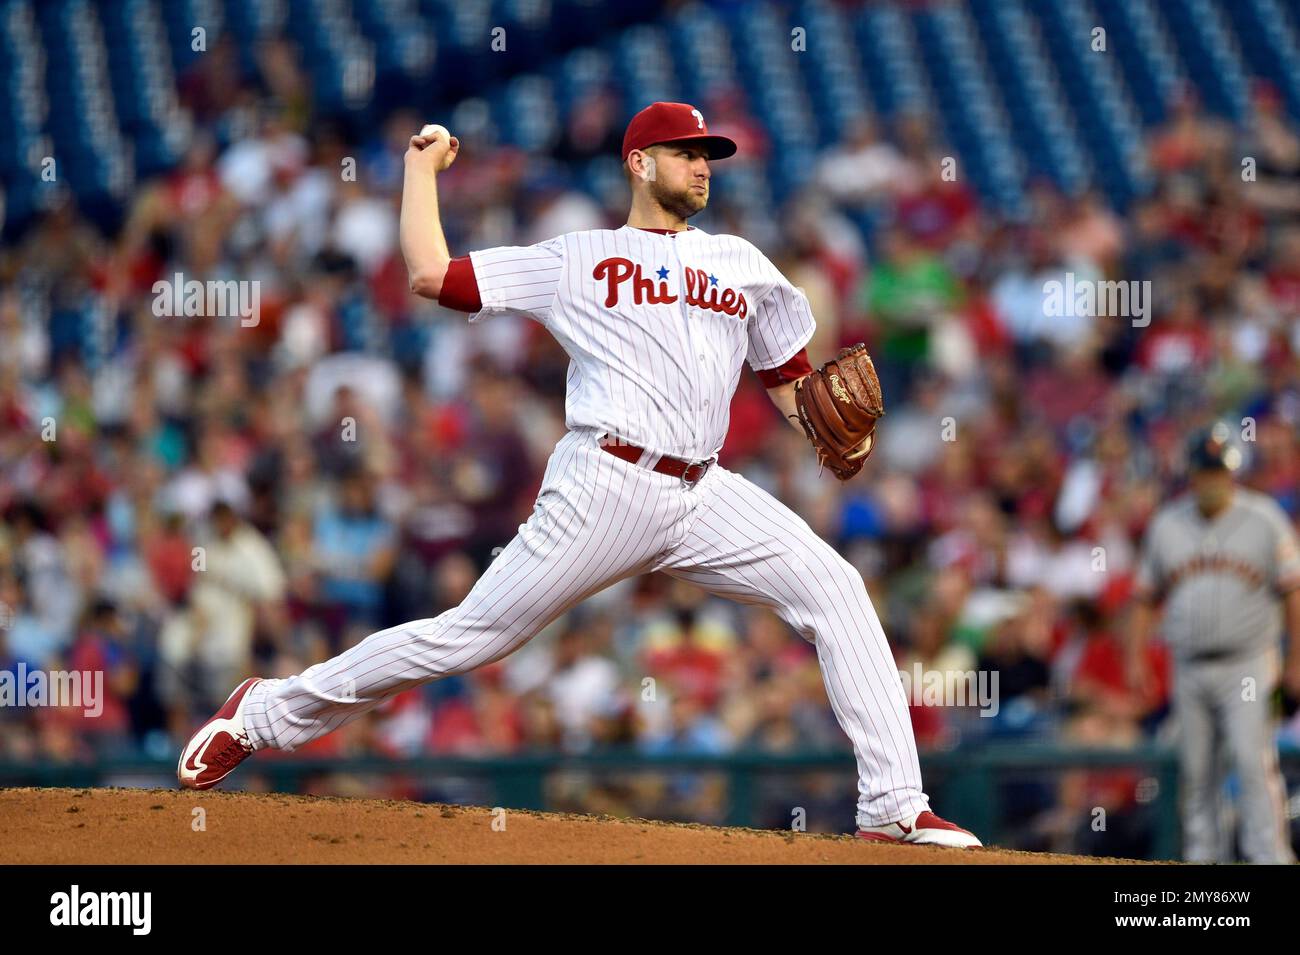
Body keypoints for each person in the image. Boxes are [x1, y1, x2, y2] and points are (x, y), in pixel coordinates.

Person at [178, 102, 980, 847]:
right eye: (686, 153)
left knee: (837, 588)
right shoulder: (578, 257)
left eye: (710, 156)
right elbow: (432, 273)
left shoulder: (742, 263)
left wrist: (829, 434)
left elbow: (789, 381)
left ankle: (891, 805)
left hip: (703, 491)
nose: (703, 167)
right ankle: (264, 713)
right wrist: (421, 170)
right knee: (470, 636)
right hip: (606, 480)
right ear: (639, 162)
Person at [1128, 425, 1300, 862]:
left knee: (1251, 761)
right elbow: (1145, 597)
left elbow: (1293, 592)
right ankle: (1204, 859)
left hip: (1249, 662)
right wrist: (1136, 658)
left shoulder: (1265, 519)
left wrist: (1297, 660)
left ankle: (1270, 858)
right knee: (1197, 770)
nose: (1212, 481)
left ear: (1233, 474)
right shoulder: (1168, 523)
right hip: (1188, 664)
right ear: (1191, 474)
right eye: (1205, 473)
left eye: (1219, 472)